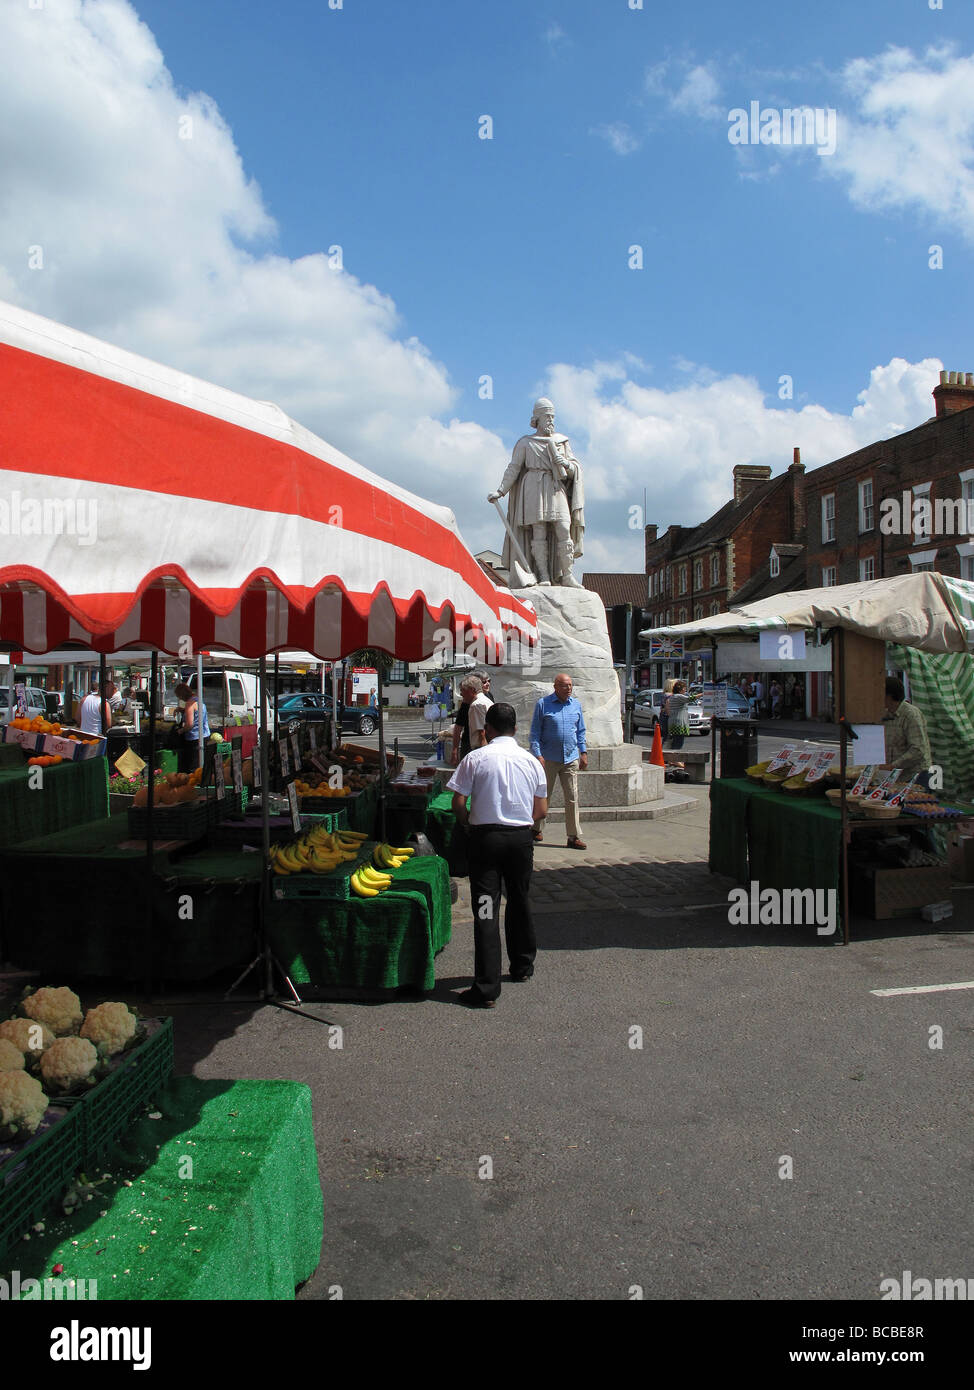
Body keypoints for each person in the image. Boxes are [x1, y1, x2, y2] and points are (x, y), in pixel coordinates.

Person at [447, 702, 548, 1007]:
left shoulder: (475, 758)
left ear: (487, 729)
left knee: (486, 908)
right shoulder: (531, 761)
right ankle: (522, 966)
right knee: (519, 900)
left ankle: (487, 987)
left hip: (485, 838)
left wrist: (466, 824)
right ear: (515, 729)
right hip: (520, 839)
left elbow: (458, 803)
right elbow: (541, 810)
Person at [488, 397, 585, 587]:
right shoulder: (526, 442)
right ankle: (543, 576)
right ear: (537, 419)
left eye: (552, 417)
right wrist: (501, 491)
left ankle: (567, 575)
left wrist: (565, 464)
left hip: (555, 486)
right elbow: (514, 468)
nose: (550, 420)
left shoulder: (561, 441)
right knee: (538, 532)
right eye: (547, 416)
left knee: (564, 528)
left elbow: (574, 468)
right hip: (533, 487)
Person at [529, 672, 588, 849]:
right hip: (548, 758)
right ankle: (536, 828)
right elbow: (535, 733)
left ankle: (573, 835)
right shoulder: (543, 704)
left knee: (572, 797)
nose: (568, 688)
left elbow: (581, 731)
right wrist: (538, 755)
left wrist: (583, 752)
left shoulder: (576, 704)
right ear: (555, 687)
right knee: (544, 795)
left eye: (570, 685)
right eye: (564, 685)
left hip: (570, 757)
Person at [883, 676, 932, 777]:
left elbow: (918, 750)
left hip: (915, 775)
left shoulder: (911, 715)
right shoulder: (886, 714)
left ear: (889, 696)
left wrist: (893, 765)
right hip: (895, 776)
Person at [450, 674, 492, 765]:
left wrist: (483, 758)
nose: (461, 694)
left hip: (479, 751)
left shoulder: (476, 705)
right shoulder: (485, 700)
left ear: (472, 690)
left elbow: (481, 732)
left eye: (462, 690)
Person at [173, 681, 211, 774]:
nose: (180, 699)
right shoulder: (198, 699)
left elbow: (189, 725)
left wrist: (180, 731)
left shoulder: (190, 703)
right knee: (200, 765)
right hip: (205, 735)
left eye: (179, 697)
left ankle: (192, 786)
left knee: (192, 767)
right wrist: (182, 710)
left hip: (194, 738)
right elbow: (197, 714)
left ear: (182, 695)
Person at [665, 681, 691, 749]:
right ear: (680, 689)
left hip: (673, 721)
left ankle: (672, 758)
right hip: (678, 723)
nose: (685, 690)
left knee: (675, 741)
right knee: (678, 742)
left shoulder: (673, 696)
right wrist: (703, 694)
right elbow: (690, 699)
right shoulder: (678, 696)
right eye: (684, 688)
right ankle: (674, 758)